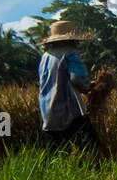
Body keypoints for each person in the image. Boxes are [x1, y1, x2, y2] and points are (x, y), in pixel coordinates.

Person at [38, 20, 101, 150]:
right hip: (67, 110)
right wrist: (89, 86)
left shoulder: (45, 56)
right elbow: (77, 79)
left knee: (57, 153)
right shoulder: (71, 53)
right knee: (92, 148)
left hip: (47, 112)